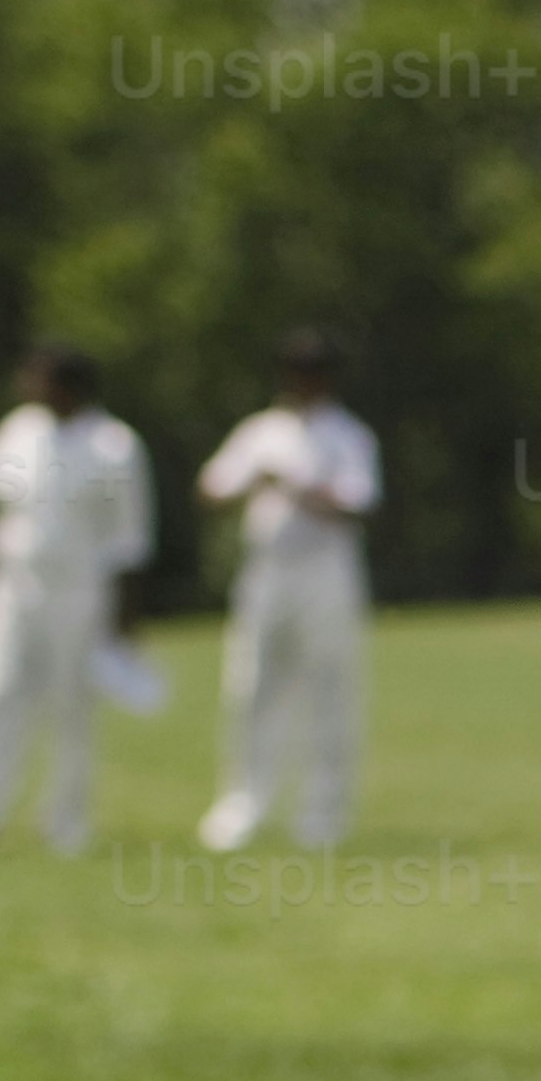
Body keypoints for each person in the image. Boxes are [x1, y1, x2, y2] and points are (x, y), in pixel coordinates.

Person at [0, 344, 156, 858]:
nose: (30, 391)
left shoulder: (114, 445)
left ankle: (66, 826)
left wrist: (125, 617)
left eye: (40, 381)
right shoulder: (21, 429)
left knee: (71, 708)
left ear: (70, 387)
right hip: (12, 588)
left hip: (79, 592)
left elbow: (130, 540)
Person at [196, 331, 380, 852]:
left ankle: (323, 815)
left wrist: (295, 486)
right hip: (267, 571)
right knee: (250, 685)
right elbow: (210, 488)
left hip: (326, 571)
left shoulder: (348, 435)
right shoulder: (261, 431)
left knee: (330, 690)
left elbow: (358, 505)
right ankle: (242, 805)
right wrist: (248, 481)